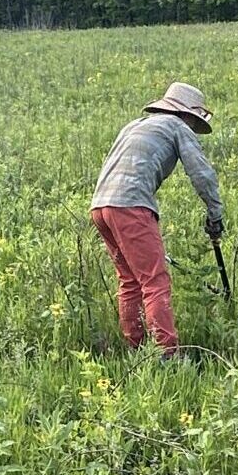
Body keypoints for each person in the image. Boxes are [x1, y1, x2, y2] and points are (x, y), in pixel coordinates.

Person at [90, 82, 224, 358]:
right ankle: (167, 356)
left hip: (101, 206)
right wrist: (215, 214)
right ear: (188, 114)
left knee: (129, 281)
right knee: (155, 282)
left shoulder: (135, 125)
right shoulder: (177, 127)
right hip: (131, 206)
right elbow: (202, 174)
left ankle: (137, 351)